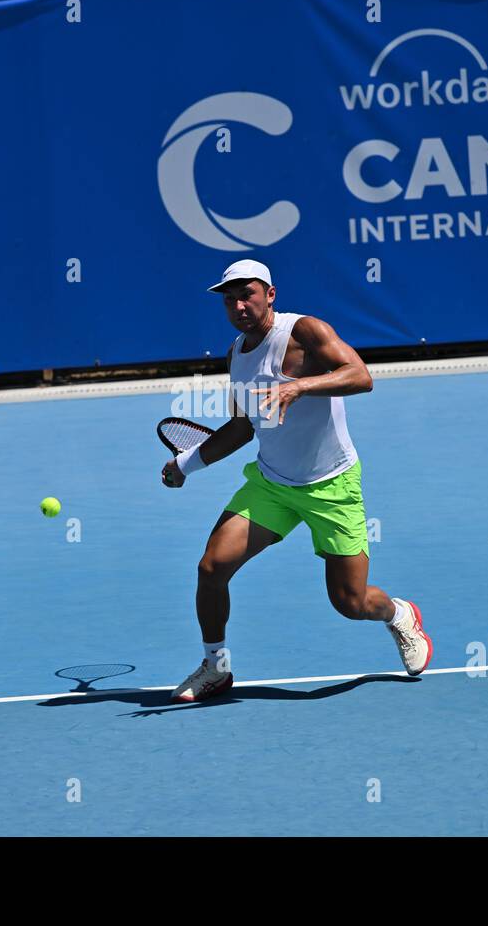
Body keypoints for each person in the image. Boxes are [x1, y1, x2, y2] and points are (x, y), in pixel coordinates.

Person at [161, 260, 432, 702]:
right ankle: (216, 667)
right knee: (211, 569)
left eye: (247, 294)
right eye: (230, 299)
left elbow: (362, 377)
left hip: (332, 484)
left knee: (350, 602)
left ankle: (398, 612)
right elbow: (242, 427)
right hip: (272, 485)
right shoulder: (236, 355)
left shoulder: (304, 332)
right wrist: (186, 465)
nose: (238, 305)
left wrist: (299, 387)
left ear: (270, 294)